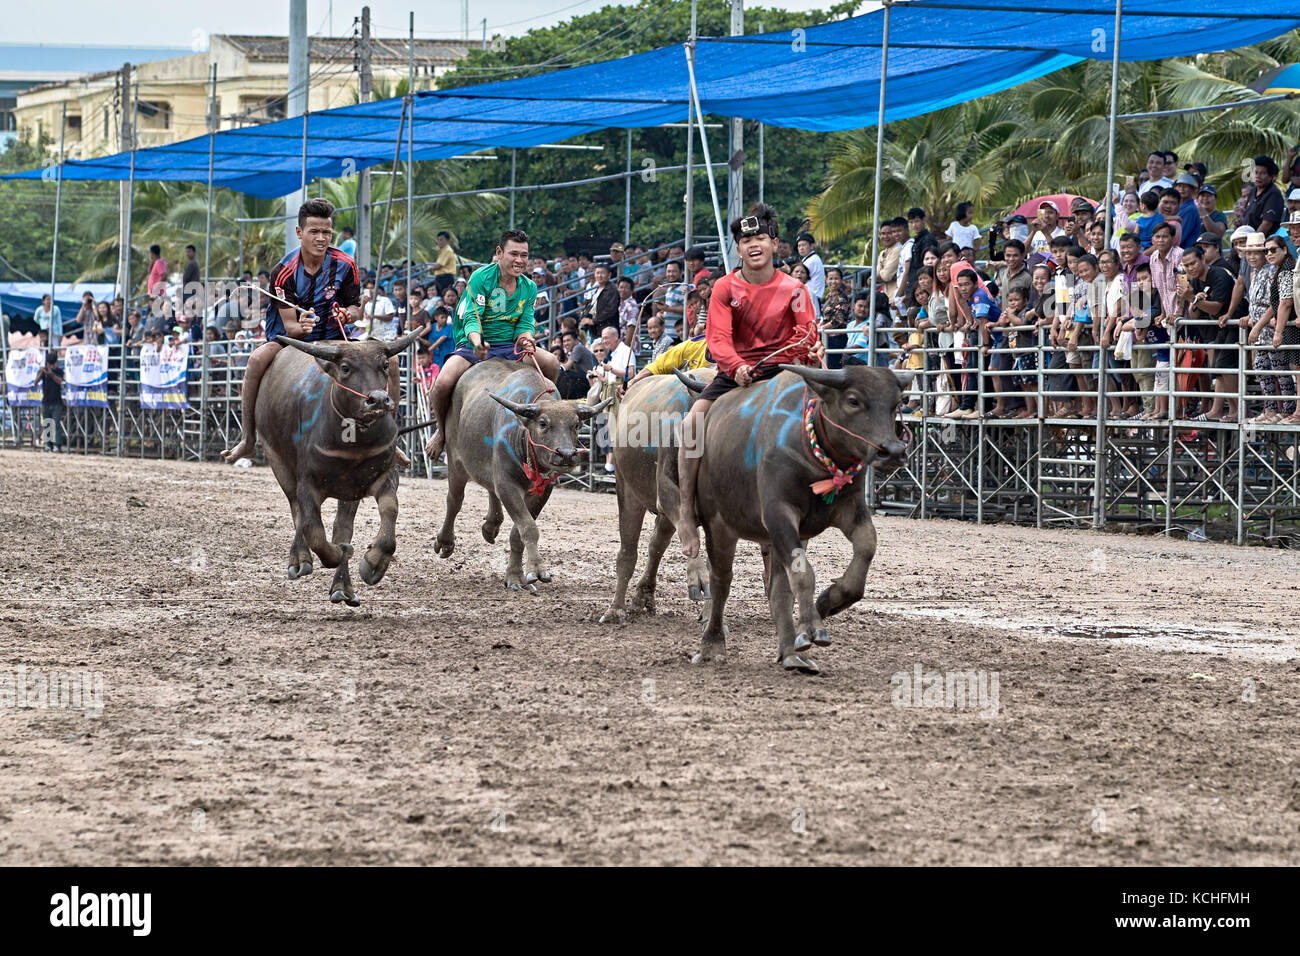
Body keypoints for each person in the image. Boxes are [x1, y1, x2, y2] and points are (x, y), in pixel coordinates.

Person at [677, 203, 822, 558]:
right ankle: (685, 510)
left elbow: (806, 332)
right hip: (735, 374)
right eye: (745, 240)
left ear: (775, 244)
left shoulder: (796, 290)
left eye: (760, 237)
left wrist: (807, 348)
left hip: (786, 373)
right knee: (692, 422)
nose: (753, 244)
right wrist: (737, 365)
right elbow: (718, 339)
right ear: (738, 249)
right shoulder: (725, 288)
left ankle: (830, 496)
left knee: (831, 418)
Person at [221, 199, 371, 464]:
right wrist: (302, 327)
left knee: (389, 361)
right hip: (291, 339)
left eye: (326, 232)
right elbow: (290, 326)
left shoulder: (346, 264)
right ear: (300, 233)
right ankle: (247, 438)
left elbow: (356, 310)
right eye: (314, 231)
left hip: (336, 337)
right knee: (256, 360)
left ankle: (388, 438)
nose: (321, 238)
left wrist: (348, 314)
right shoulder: (283, 271)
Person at [423, 229, 561, 461]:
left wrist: (527, 337)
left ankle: (543, 416)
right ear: (499, 253)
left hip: (510, 345)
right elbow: (472, 317)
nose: (519, 260)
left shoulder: (529, 287)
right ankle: (441, 430)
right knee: (442, 383)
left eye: (524, 255)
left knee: (552, 363)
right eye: (513, 254)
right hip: (476, 344)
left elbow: (525, 321)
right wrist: (478, 342)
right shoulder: (481, 277)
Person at [38, 350, 66, 451]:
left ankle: (57, 444)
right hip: (46, 401)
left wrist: (51, 374)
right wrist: (41, 372)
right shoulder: (43, 371)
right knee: (47, 423)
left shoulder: (59, 371)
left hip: (56, 401)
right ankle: (48, 444)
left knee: (56, 424)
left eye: (52, 364)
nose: (51, 366)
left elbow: (59, 381)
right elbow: (35, 382)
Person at [432, 230, 458, 294]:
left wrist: (429, 268)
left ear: (447, 240)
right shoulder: (442, 250)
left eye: (441, 240)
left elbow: (439, 265)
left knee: (445, 294)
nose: (439, 242)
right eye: (438, 240)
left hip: (445, 277)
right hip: (441, 277)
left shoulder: (447, 250)